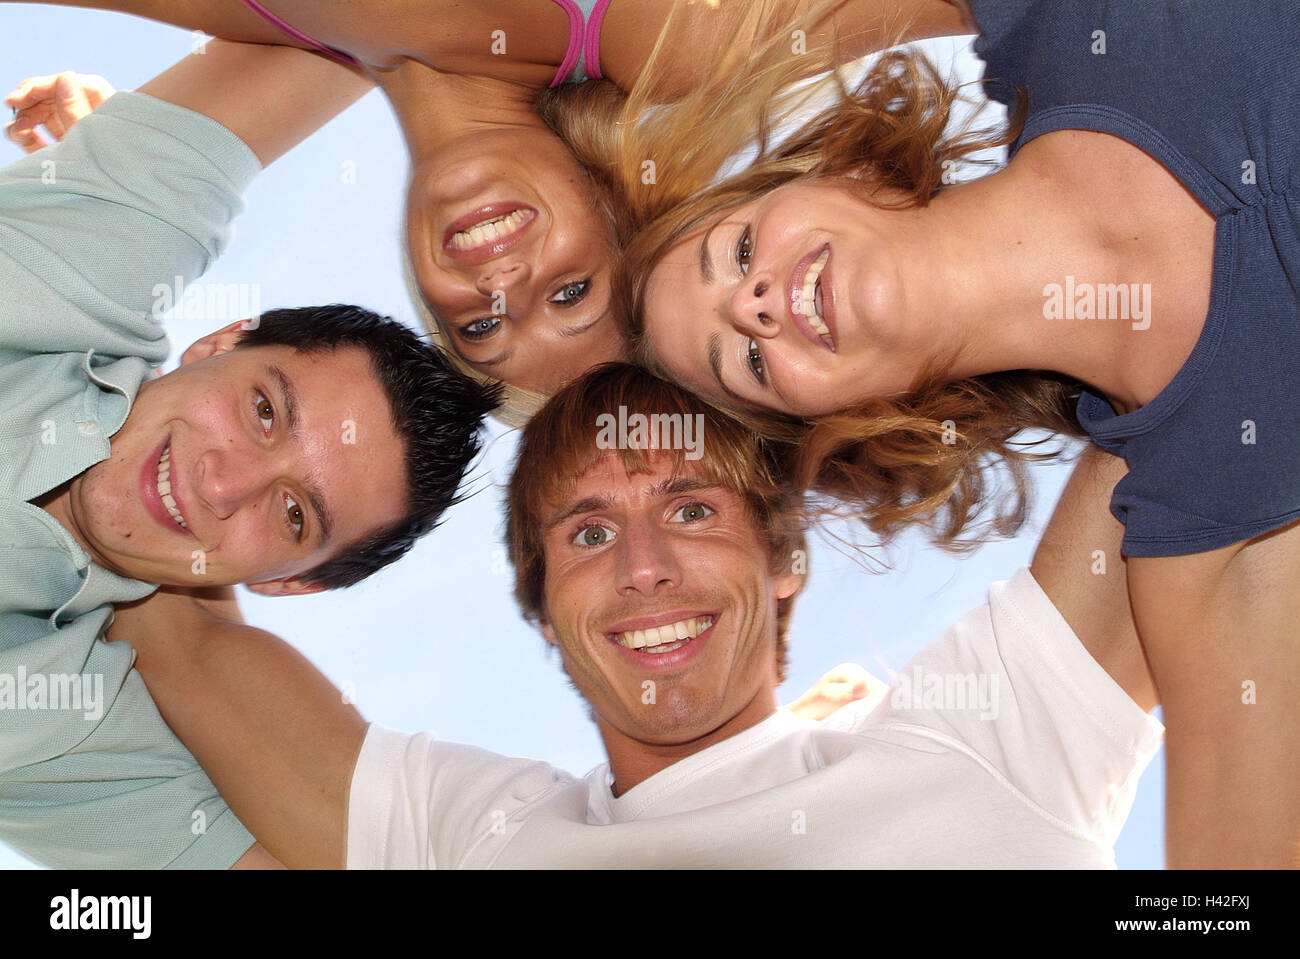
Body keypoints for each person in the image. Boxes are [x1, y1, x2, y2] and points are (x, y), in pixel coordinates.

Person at [621, 0, 1300, 866]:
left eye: (741, 251)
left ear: (836, 175)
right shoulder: (1207, 523)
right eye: (747, 362)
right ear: (838, 420)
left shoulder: (1067, 18)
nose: (752, 303)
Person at [106, 364, 1161, 868]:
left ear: (783, 557)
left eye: (691, 510)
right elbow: (177, 624)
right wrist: (155, 388)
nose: (644, 568)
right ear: (542, 609)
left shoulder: (985, 738)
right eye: (588, 532)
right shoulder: (469, 833)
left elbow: (1176, 373)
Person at [0, 43, 497, 868]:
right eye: (264, 410)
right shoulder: (90, 268)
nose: (222, 482)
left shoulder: (74, 727)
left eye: (294, 514)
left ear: (287, 582)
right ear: (219, 341)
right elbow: (374, 25)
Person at [8, 0, 977, 418]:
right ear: (614, 204)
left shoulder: (323, 43)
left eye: (481, 328)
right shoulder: (668, 39)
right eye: (572, 292)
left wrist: (124, 160)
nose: (505, 284)